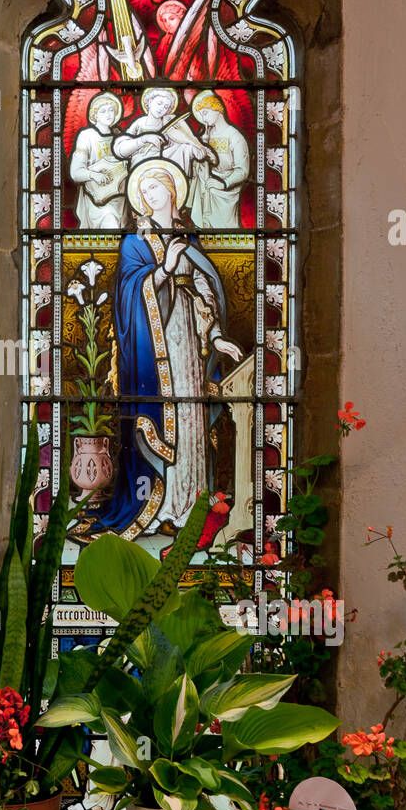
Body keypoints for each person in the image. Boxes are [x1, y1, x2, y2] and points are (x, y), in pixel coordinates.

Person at [91, 158, 242, 534]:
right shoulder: (134, 240)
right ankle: (159, 509)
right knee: (167, 418)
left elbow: (203, 290)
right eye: (143, 191)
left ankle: (190, 506)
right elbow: (127, 294)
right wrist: (164, 270)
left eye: (154, 188)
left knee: (190, 420)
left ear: (172, 190)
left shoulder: (187, 238)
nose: (148, 196)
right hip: (153, 348)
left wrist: (216, 336)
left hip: (189, 344)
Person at [186, 92, 250, 230]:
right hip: (205, 188)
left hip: (226, 193)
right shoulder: (207, 136)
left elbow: (242, 170)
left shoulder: (234, 136)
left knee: (225, 230)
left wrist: (223, 183)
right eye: (201, 115)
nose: (203, 118)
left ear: (217, 110)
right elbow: (200, 166)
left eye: (205, 113)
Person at [68, 93, 130, 229]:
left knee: (120, 233)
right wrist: (94, 175)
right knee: (110, 223)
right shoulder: (87, 136)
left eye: (111, 110)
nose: (108, 114)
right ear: (95, 115)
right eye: (103, 111)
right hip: (97, 201)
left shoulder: (120, 136)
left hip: (121, 197)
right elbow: (75, 172)